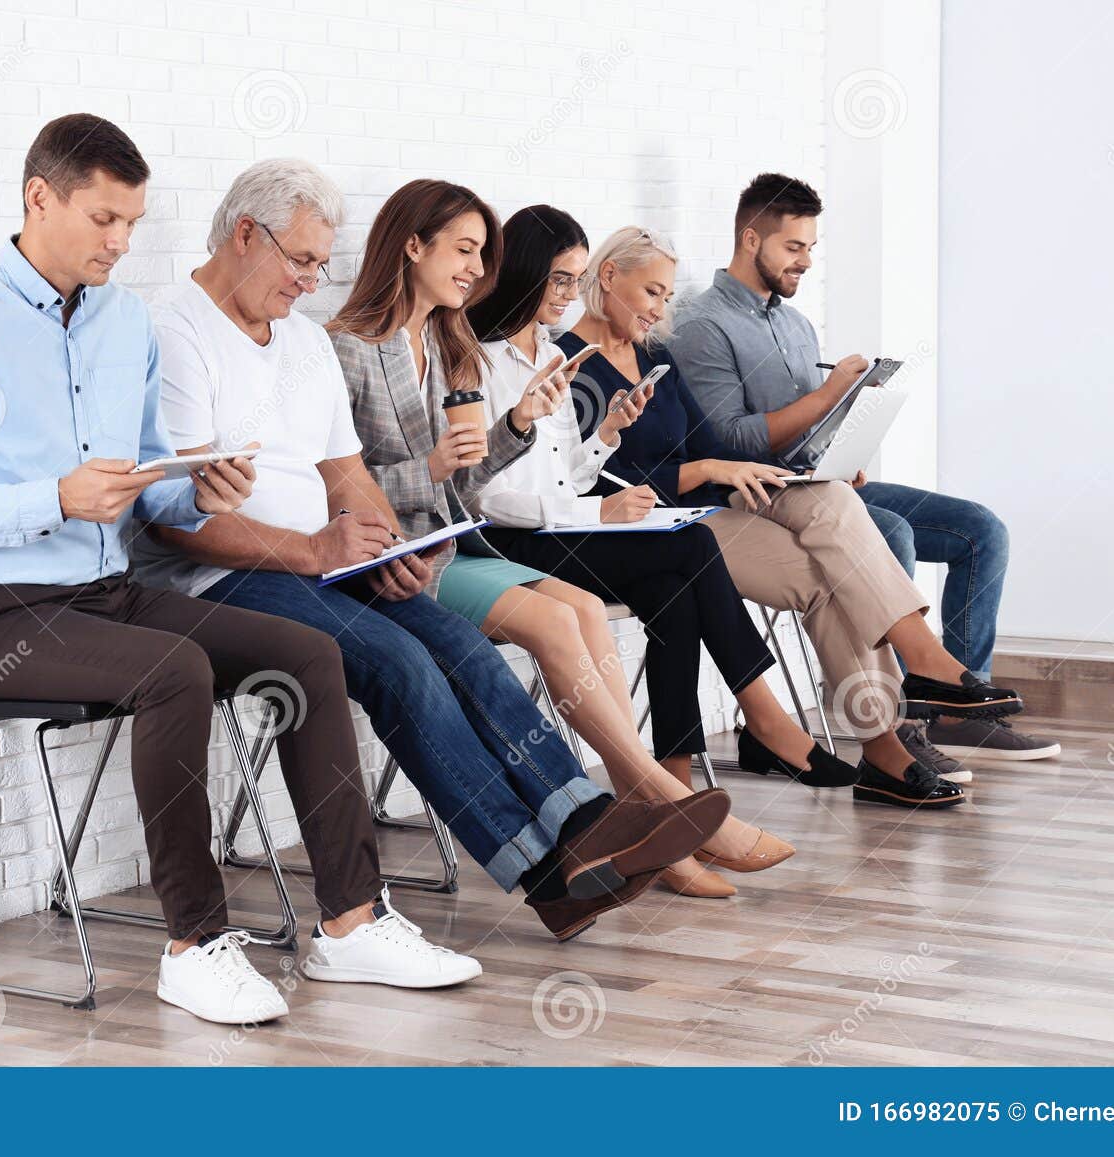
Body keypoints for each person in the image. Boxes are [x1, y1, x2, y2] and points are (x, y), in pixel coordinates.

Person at [0, 115, 487, 1029]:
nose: (122, 243)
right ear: (37, 198)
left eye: (132, 221)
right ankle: (194, 945)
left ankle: (351, 922)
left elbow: (156, 493)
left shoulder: (124, 322)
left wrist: (204, 490)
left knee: (309, 652)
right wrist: (52, 498)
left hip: (105, 595)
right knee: (177, 671)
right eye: (104, 219)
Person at [129, 159, 731, 943]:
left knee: (454, 640)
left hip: (326, 557)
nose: (314, 280)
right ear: (245, 235)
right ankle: (548, 876)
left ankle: (584, 828)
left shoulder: (304, 342)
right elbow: (177, 519)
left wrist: (391, 548)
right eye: (303, 260)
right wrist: (316, 550)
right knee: (400, 659)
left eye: (321, 262)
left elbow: (344, 472)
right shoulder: (175, 332)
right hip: (219, 577)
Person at [330, 185, 795, 898]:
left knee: (581, 605)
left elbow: (473, 470)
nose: (476, 269)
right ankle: (661, 807)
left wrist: (537, 427)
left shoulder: (443, 342)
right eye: (465, 251)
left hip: (456, 541)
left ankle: (653, 813)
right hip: (406, 555)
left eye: (483, 255)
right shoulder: (352, 348)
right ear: (412, 246)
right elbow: (342, 484)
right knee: (569, 609)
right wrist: (453, 460)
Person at [671, 173, 1059, 763]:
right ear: (751, 240)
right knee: (892, 532)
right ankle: (903, 726)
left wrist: (844, 441)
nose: (805, 262)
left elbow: (804, 424)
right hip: (765, 491)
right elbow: (732, 439)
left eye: (811, 249)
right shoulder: (704, 326)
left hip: (822, 477)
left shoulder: (794, 323)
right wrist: (829, 395)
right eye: (793, 248)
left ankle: (957, 708)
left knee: (982, 530)